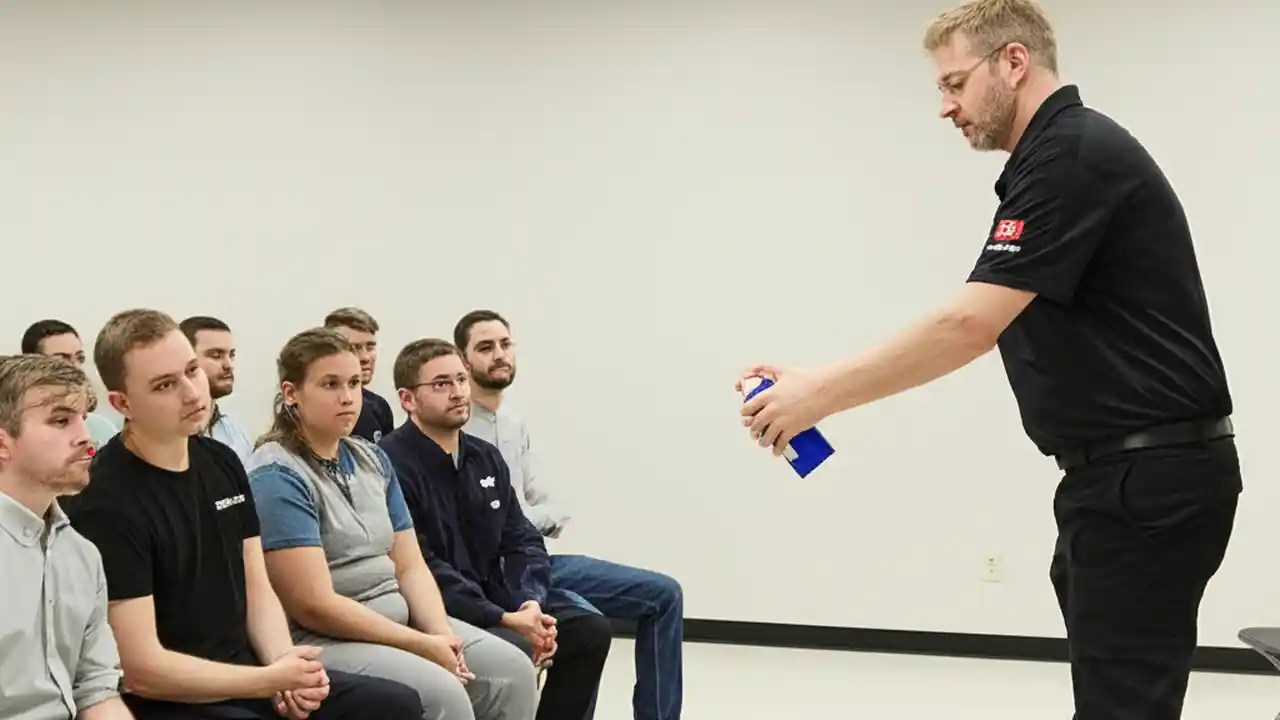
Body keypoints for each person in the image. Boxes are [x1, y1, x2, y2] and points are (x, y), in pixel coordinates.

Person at [739, 1, 1240, 718]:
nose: (945, 107)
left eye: (953, 83)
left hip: (1147, 482)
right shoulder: (1057, 156)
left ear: (1013, 61)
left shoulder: (1071, 154)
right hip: (1128, 477)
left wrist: (817, 393)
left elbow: (969, 324)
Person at [65, 309, 423, 720]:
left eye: (192, 371)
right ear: (122, 403)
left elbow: (258, 588)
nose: (191, 392)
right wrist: (269, 680)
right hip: (174, 696)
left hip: (251, 669)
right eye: (165, 385)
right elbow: (143, 669)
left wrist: (284, 667)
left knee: (394, 705)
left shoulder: (221, 461)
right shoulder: (105, 500)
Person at [246, 327, 538, 720]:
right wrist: (419, 644)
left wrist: (439, 634)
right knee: (443, 695)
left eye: (353, 383)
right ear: (292, 393)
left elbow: (410, 565)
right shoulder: (277, 473)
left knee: (512, 671)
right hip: (327, 636)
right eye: (330, 384)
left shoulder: (371, 458)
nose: (348, 397)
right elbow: (314, 604)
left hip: (400, 620)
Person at [456, 310, 684, 720]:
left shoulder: (512, 422)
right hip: (497, 573)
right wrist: (525, 520)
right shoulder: (455, 426)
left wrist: (523, 520)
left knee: (665, 594)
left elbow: (552, 504)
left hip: (538, 561)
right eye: (485, 347)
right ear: (463, 358)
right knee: (586, 623)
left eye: (505, 344)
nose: (499, 355)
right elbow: (490, 526)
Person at [380, 338, 613, 720]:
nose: (458, 392)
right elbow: (422, 563)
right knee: (515, 649)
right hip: (441, 608)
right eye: (441, 384)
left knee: (587, 630)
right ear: (408, 399)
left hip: (503, 599)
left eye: (460, 379)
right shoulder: (392, 464)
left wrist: (530, 602)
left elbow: (522, 539)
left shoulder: (484, 456)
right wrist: (502, 619)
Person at [0, 354, 134, 720]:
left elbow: (95, 690)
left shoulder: (81, 554)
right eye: (61, 421)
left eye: (83, 419)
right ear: (2, 444)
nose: (85, 436)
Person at [21, 319, 119, 448]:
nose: (76, 367)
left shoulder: (101, 430)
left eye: (80, 358)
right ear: (32, 365)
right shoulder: (17, 431)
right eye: (61, 359)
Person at [181, 315, 254, 463]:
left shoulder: (236, 433)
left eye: (231, 355)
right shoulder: (164, 430)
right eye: (216, 355)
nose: (229, 365)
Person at [324, 307, 394, 443]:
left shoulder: (378, 406)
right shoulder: (321, 406)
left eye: (370, 347)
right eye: (355, 348)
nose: (365, 357)